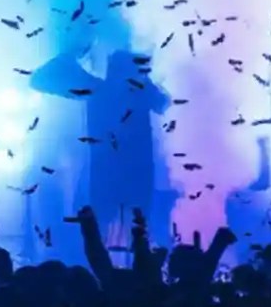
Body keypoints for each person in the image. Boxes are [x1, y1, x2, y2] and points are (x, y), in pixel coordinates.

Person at [32, 47, 170, 250]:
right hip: (130, 171)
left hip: (112, 171)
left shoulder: (99, 90)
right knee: (131, 227)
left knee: (106, 227)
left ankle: (103, 270)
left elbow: (39, 79)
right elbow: (163, 103)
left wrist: (70, 55)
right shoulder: (136, 93)